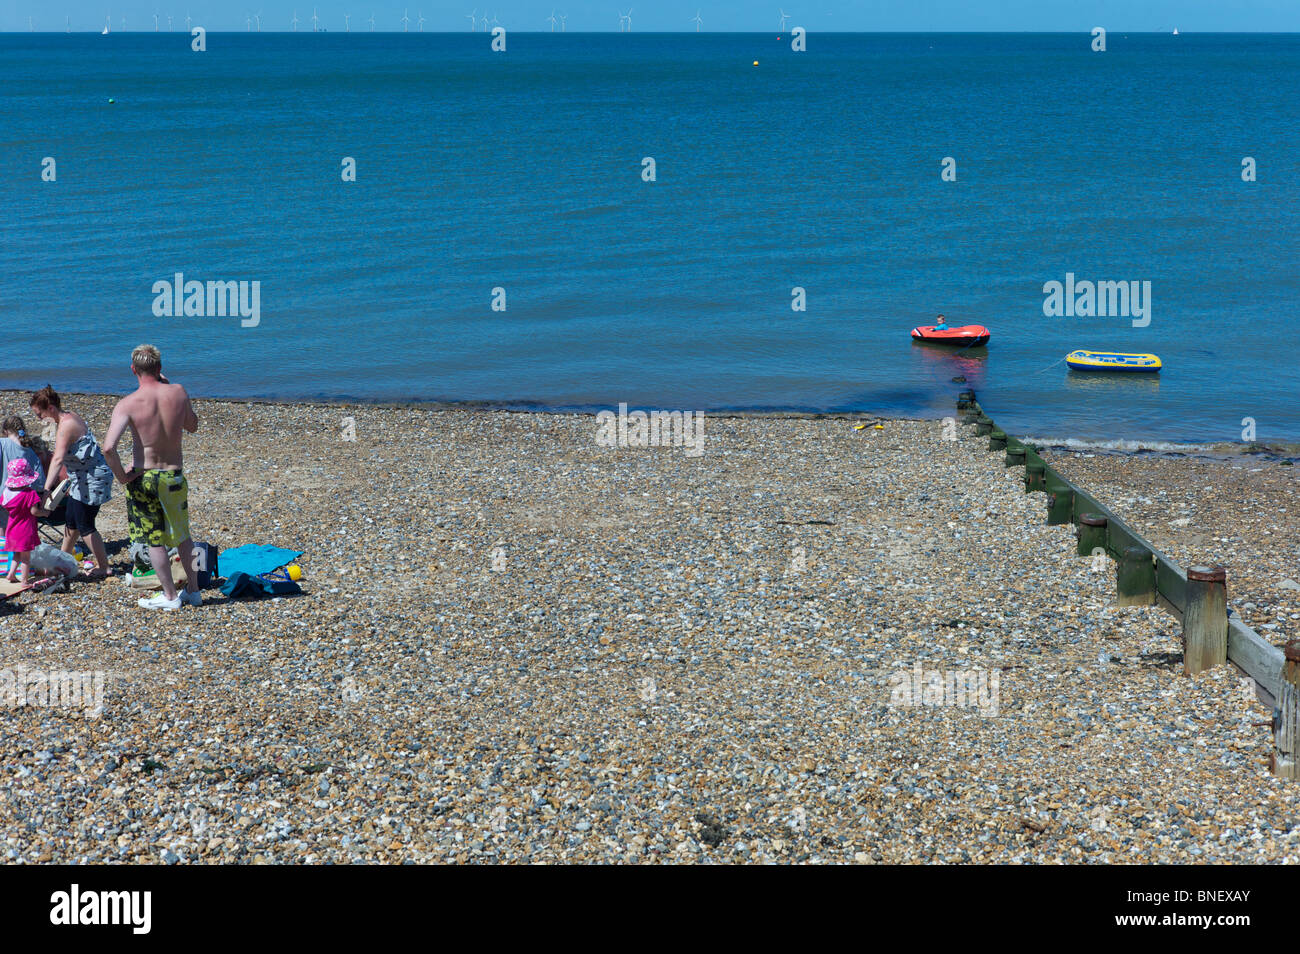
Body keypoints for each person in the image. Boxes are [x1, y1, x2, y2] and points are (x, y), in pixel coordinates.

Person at [102, 344, 201, 610]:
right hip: (173, 475)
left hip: (144, 477)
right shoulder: (179, 392)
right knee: (183, 536)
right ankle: (193, 590)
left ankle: (170, 596)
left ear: (133, 369)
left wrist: (122, 477)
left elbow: (108, 448)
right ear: (160, 369)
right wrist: (170, 389)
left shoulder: (128, 404)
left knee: (154, 538)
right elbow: (192, 425)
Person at [28, 387, 113, 578]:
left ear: (50, 408)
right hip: (80, 478)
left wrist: (46, 489)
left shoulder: (66, 425)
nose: (39, 419)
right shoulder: (65, 418)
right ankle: (63, 560)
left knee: (85, 525)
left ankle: (104, 566)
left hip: (93, 479)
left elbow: (57, 459)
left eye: (39, 414)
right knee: (72, 520)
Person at [3, 459, 47, 584]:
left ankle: (11, 574)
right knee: (26, 558)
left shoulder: (6, 492)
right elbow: (34, 511)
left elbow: (4, 505)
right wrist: (44, 512)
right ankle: (24, 581)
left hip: (11, 529)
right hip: (25, 530)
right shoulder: (29, 493)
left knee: (17, 554)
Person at [0, 416, 46, 533]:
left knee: (3, 528)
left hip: (4, 496)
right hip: (24, 499)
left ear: (5, 431)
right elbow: (40, 483)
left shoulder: (2, 443)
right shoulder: (30, 452)